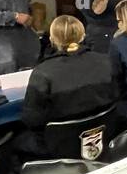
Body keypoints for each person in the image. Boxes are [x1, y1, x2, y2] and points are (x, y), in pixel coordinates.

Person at [18, 16, 116, 151]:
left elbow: (31, 119)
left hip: (58, 144)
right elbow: (116, 96)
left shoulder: (43, 72)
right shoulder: (106, 61)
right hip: (104, 134)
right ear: (82, 36)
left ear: (52, 39)